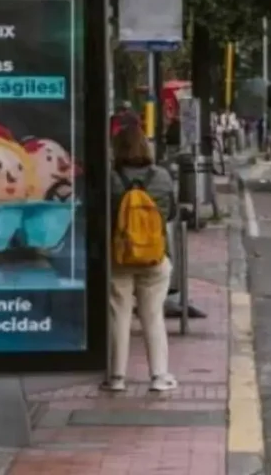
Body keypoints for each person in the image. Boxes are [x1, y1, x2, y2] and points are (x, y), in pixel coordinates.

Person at [104, 126, 178, 393]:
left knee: (118, 314)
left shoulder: (110, 178)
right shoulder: (162, 177)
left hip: (119, 256)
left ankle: (116, 377)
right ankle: (159, 376)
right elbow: (171, 213)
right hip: (154, 257)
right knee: (153, 315)